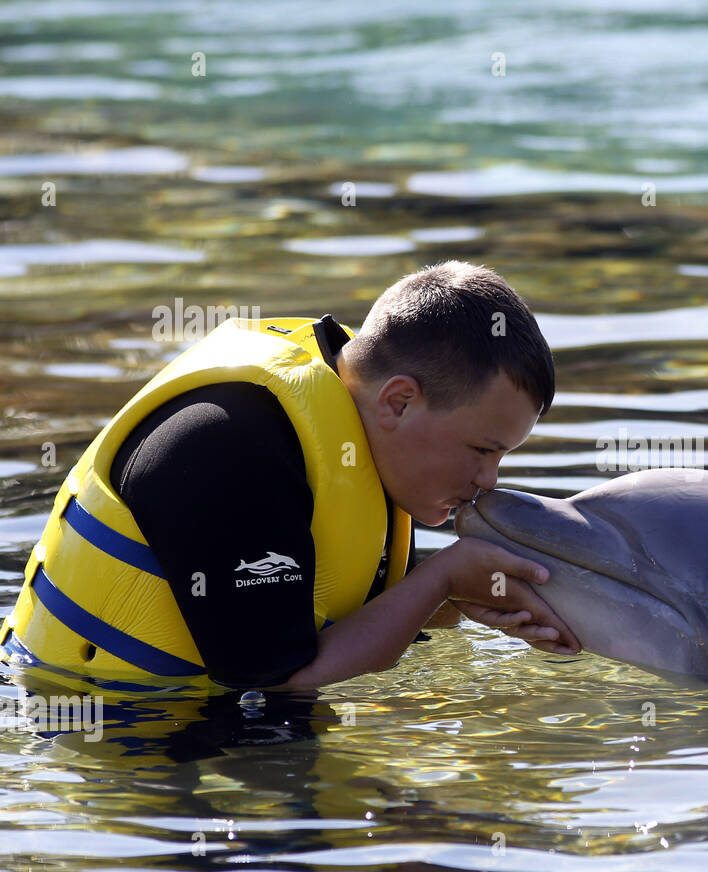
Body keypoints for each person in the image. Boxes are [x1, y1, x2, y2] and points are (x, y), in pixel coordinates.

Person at [0, 260, 581, 693]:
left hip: (195, 722)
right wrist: (444, 577)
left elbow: (326, 611)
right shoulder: (230, 446)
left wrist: (460, 596)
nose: (488, 480)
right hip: (96, 736)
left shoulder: (357, 426)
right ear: (399, 402)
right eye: (482, 449)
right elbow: (282, 679)